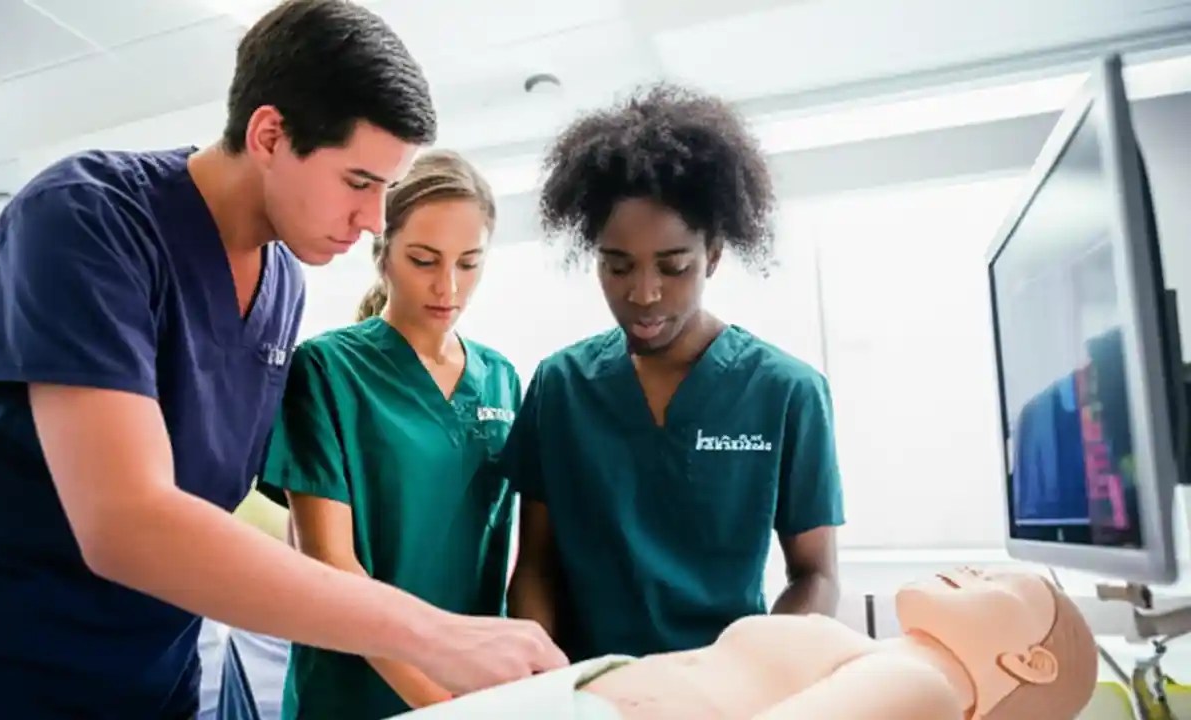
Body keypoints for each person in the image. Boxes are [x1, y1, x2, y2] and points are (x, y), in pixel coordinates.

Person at [0, 2, 563, 717]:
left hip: (153, 676)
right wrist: (436, 636)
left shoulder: (281, 280)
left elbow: (214, 496)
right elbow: (127, 523)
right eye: (359, 182)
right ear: (269, 134)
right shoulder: (86, 220)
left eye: (387, 189)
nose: (374, 220)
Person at [504, 83, 845, 663]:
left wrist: (741, 674)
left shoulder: (788, 393)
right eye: (617, 266)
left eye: (674, 266)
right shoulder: (560, 386)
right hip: (588, 693)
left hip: (724, 693)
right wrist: (546, 680)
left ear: (713, 253)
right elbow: (534, 564)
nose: (644, 294)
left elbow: (816, 577)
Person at [260, 150, 522, 719]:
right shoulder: (326, 371)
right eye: (424, 260)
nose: (447, 287)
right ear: (383, 253)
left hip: (474, 688)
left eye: (469, 263)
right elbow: (329, 559)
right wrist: (435, 703)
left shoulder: (501, 380)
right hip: (355, 691)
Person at [390, 567, 1100, 720]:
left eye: (1004, 582)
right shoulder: (886, 661)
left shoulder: (926, 686)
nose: (978, 567)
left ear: (1028, 661)